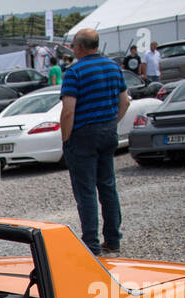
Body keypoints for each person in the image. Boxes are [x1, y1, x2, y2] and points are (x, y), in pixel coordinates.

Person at [60, 28, 129, 256]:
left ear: (79, 46)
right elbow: (125, 102)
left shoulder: (74, 72)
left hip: (83, 135)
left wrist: (66, 138)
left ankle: (91, 243)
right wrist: (111, 123)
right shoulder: (113, 67)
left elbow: (68, 111)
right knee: (108, 186)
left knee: (86, 191)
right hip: (108, 131)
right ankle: (113, 239)